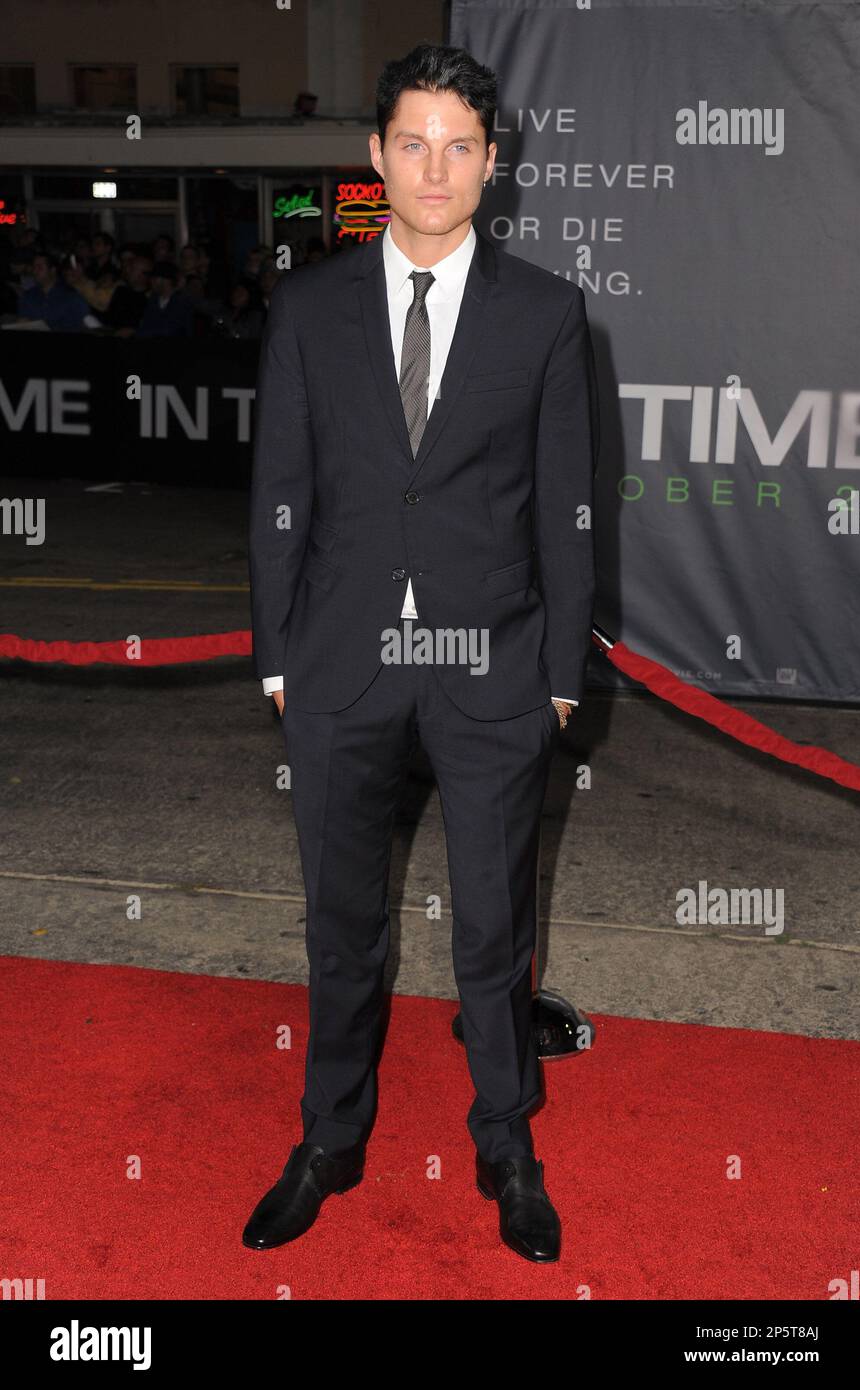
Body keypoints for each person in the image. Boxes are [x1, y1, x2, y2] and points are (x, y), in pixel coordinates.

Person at [244, 42, 598, 1265]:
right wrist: (276, 655)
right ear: (374, 157)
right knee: (342, 922)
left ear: (491, 164)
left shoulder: (547, 312)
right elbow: (279, 488)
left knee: (493, 925)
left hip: (493, 667)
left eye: (459, 146)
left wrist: (560, 673)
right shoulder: (306, 307)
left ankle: (505, 1139)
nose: (433, 167)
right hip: (339, 667)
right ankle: (328, 1135)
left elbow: (564, 504)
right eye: (411, 142)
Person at [15, 251, 94, 331]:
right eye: (34, 267)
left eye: (39, 267)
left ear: (52, 270)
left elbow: (88, 324)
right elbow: (23, 319)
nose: (35, 271)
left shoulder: (71, 296)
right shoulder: (28, 296)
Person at [135, 261, 193, 337]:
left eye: (155, 278)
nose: (151, 281)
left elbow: (171, 330)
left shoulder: (182, 302)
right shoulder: (153, 300)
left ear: (165, 280)